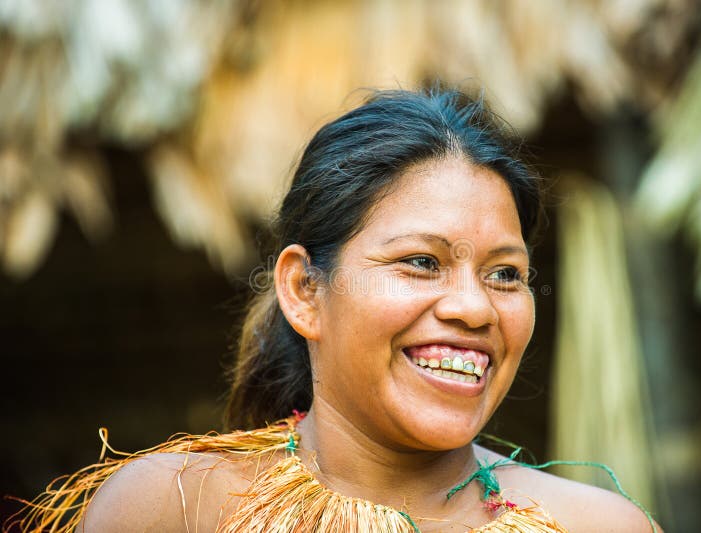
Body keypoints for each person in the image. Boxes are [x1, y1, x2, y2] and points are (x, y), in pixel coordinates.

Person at [8, 88, 660, 532]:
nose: (473, 307)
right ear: (304, 290)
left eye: (505, 274)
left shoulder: (596, 525)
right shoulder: (174, 506)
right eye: (421, 262)